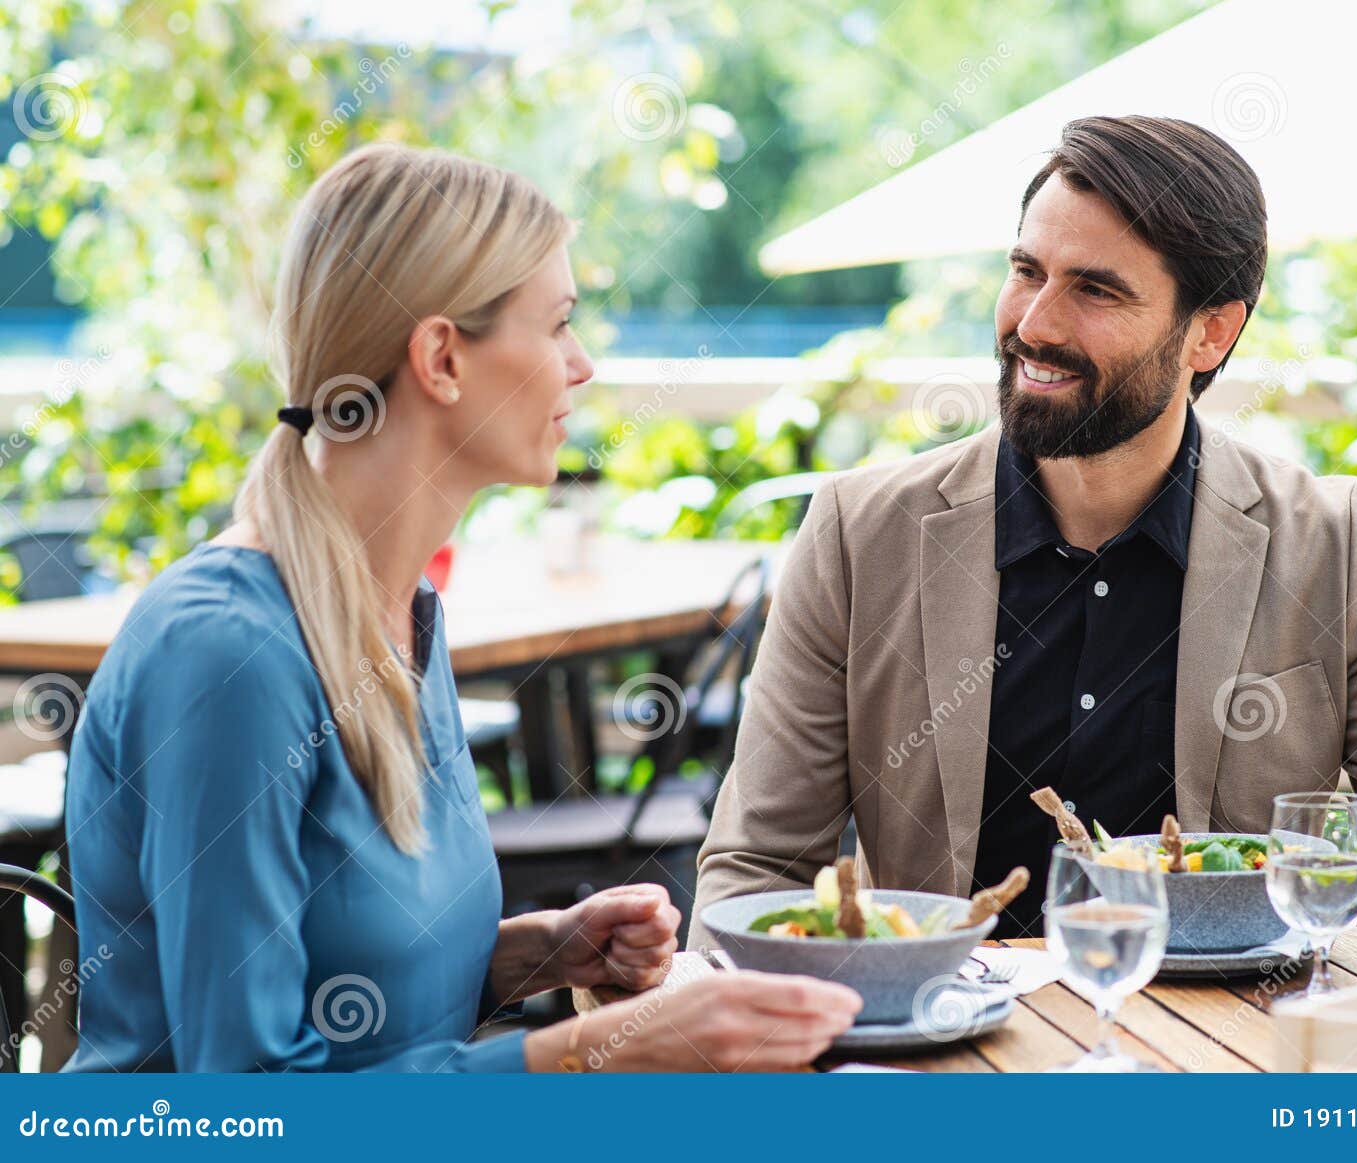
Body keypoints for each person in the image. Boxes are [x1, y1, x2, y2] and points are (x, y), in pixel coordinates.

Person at [65, 144, 859, 1073]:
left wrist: (533, 955)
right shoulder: (226, 654)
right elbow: (248, 1107)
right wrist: (594, 1054)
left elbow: (351, 981)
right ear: (441, 356)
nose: (584, 363)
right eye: (558, 324)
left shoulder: (404, 609)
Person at [688, 115, 1357, 968]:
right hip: (941, 1051)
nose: (1035, 324)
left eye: (1096, 290)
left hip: (1230, 1057)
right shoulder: (860, 535)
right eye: (1026, 271)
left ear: (1212, 332)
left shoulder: (1329, 543)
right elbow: (758, 868)